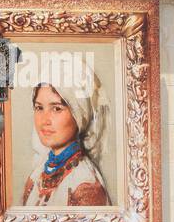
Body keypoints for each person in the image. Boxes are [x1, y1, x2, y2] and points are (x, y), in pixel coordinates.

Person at [20, 79, 111, 207]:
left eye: (56, 109)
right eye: (39, 108)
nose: (45, 120)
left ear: (78, 115)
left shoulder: (85, 186)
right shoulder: (35, 178)